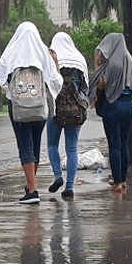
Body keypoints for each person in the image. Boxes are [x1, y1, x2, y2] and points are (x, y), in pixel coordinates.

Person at [0, 22, 63, 204]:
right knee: (35, 144)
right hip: (40, 107)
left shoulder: (11, 52)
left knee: (24, 145)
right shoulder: (43, 53)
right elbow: (56, 81)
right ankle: (30, 184)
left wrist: (8, 86)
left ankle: (32, 191)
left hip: (18, 108)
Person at [92, 32, 132, 194]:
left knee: (114, 145)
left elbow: (102, 83)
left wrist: (97, 66)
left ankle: (117, 182)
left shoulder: (113, 63)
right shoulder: (131, 61)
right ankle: (124, 180)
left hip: (114, 105)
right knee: (124, 143)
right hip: (129, 105)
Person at [47, 32, 90, 199]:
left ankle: (58, 176)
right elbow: (85, 86)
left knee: (52, 145)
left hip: (55, 110)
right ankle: (69, 186)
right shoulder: (78, 59)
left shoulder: (51, 59)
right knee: (72, 148)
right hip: (75, 110)